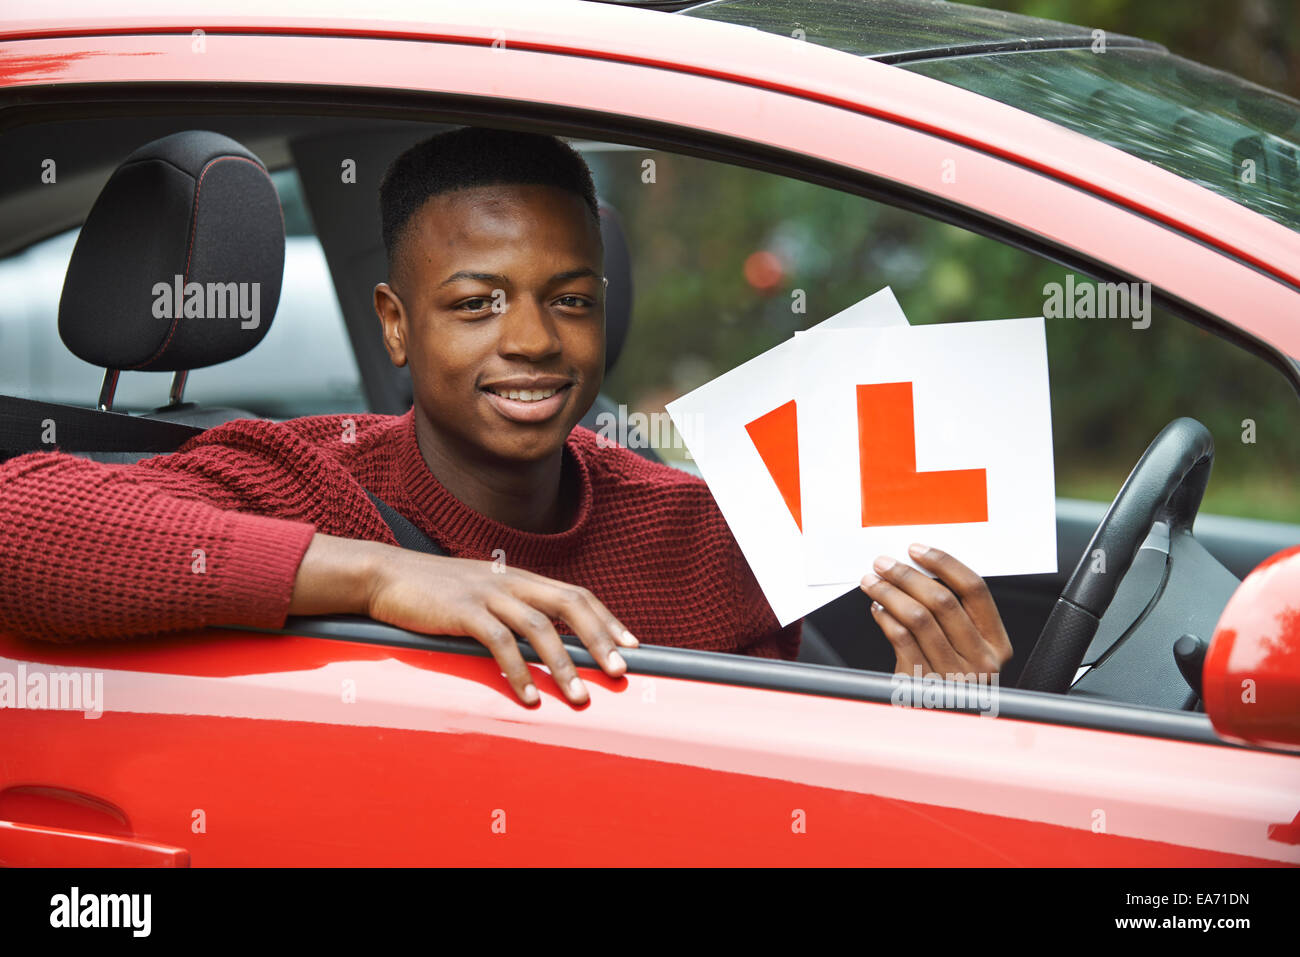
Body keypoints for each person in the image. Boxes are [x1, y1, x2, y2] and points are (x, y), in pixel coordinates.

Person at [0, 127, 1010, 707]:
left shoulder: (704, 531)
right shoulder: (305, 477)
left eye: (568, 299)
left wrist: (943, 708)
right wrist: (386, 574)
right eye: (476, 303)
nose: (531, 340)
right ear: (395, 327)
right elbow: (19, 521)